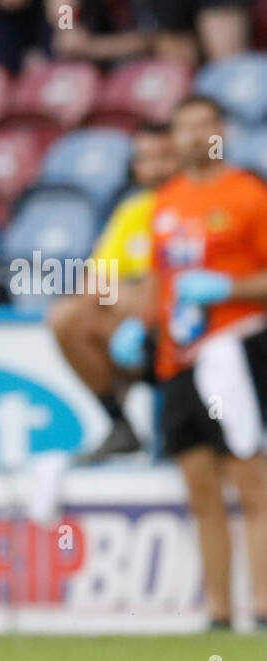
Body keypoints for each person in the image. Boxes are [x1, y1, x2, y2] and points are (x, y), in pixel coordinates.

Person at [120, 94, 267, 630]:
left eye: (204, 125)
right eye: (184, 127)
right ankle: (219, 612)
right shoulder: (167, 202)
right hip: (177, 358)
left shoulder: (249, 194)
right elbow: (160, 279)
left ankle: (263, 605)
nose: (195, 136)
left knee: (250, 479)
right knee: (199, 484)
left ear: (220, 131)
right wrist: (141, 322)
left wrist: (228, 287)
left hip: (234, 349)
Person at [47, 123, 178, 462]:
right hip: (141, 334)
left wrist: (134, 297)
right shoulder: (133, 211)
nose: (156, 168)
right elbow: (92, 281)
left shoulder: (196, 202)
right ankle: (120, 425)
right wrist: (130, 303)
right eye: (145, 159)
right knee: (69, 317)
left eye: (164, 156)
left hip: (190, 329)